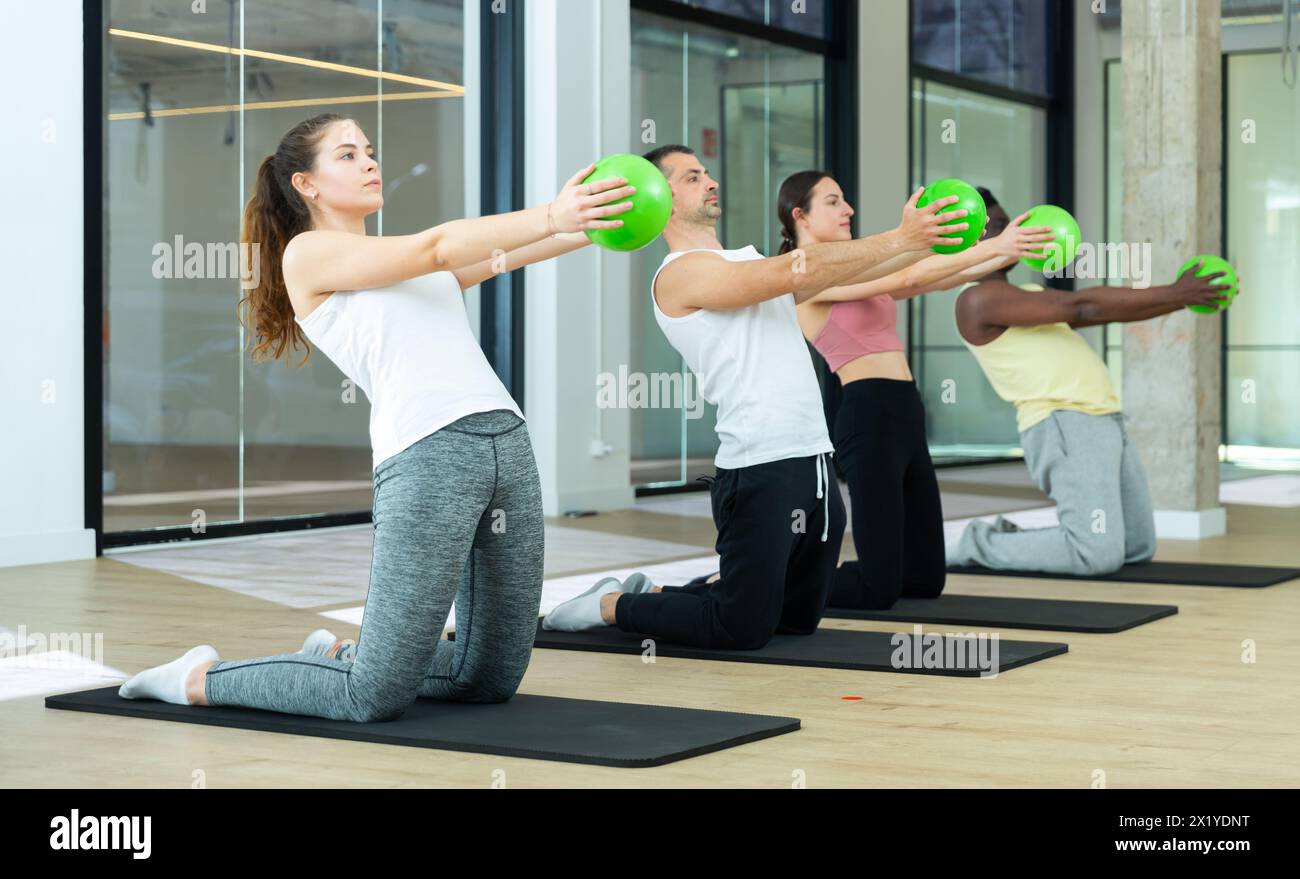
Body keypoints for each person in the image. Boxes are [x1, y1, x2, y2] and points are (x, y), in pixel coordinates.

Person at [118, 113, 635, 719]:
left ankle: (339, 654)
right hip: (428, 457)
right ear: (306, 184)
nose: (369, 162)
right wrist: (553, 213)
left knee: (487, 677)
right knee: (371, 697)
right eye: (347, 155)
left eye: (369, 151)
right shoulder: (308, 256)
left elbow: (499, 257)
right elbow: (437, 246)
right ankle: (200, 677)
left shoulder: (393, 259)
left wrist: (597, 224)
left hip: (506, 444)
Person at [542, 144, 969, 648]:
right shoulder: (679, 273)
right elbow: (794, 273)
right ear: (659, 196)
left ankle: (679, 590)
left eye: (706, 173)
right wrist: (901, 236)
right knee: (740, 628)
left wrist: (929, 241)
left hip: (815, 463)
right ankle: (612, 605)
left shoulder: (748, 260)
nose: (710, 181)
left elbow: (871, 273)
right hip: (759, 467)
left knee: (796, 619)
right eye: (692, 177)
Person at [779, 171, 1053, 608]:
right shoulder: (803, 275)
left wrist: (1000, 250)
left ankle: (802, 573)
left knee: (925, 580)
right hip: (867, 417)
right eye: (833, 202)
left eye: (845, 199)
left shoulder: (854, 263)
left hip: (906, 411)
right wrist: (994, 247)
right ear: (801, 216)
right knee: (877, 588)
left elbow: (928, 279)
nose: (848, 209)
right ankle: (773, 582)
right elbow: (906, 279)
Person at [946, 186, 1234, 576]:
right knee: (1094, 554)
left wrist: (1178, 299)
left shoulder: (1024, 293)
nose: (1016, 230)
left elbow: (1095, 314)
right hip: (1064, 424)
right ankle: (975, 542)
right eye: (1000, 225)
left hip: (1103, 420)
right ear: (972, 238)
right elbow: (1082, 304)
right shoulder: (977, 300)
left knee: (1136, 545)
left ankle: (1017, 538)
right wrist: (1176, 291)